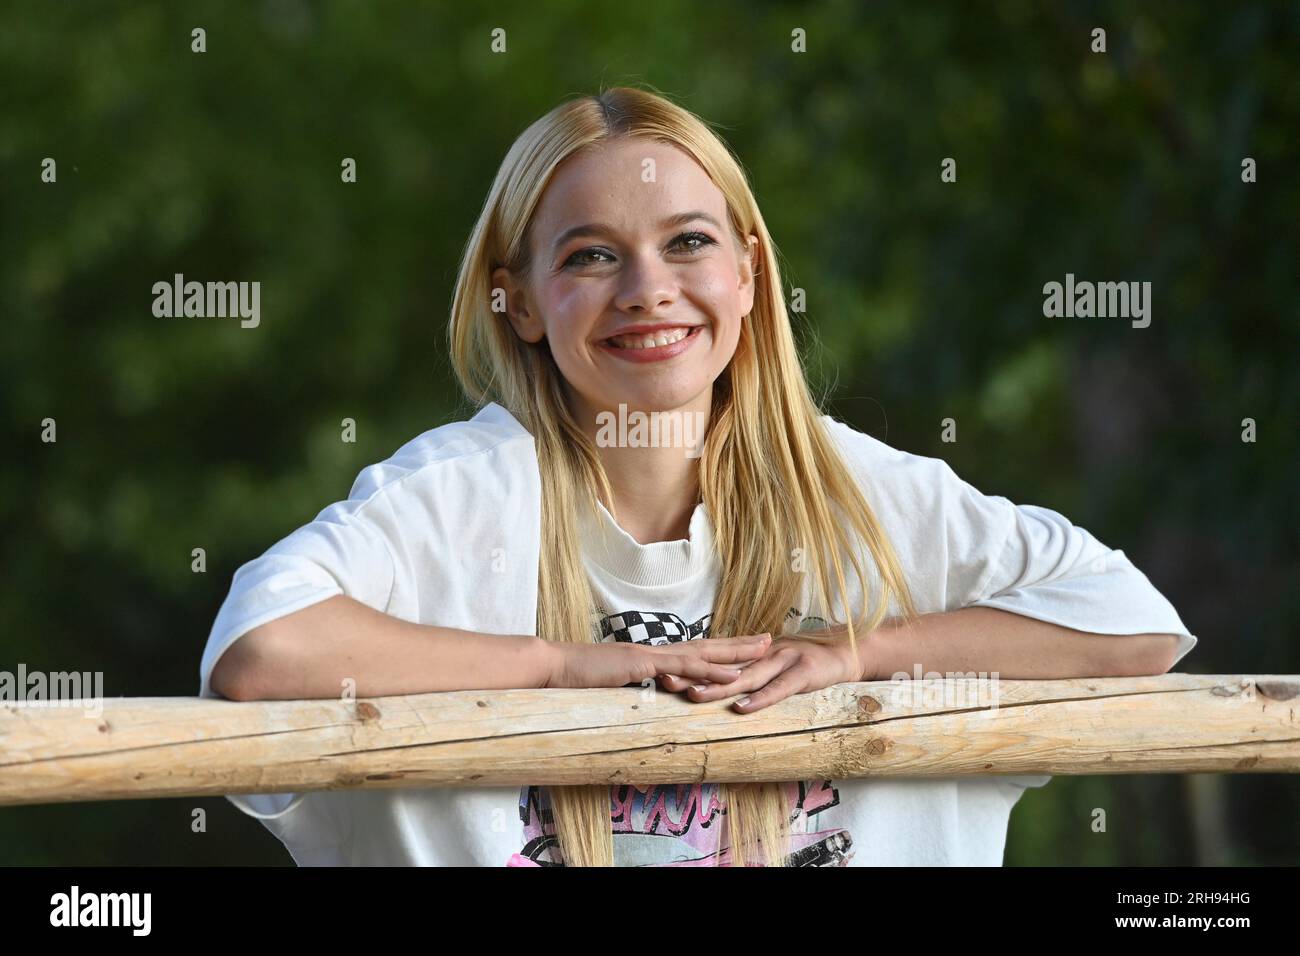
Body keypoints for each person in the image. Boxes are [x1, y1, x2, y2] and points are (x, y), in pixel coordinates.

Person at [199, 85, 1197, 867]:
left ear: (749, 274)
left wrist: (859, 651)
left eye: (687, 242)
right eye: (591, 256)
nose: (648, 289)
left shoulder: (852, 487)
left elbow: (1133, 624)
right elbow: (262, 648)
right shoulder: (461, 493)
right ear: (520, 303)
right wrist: (558, 667)